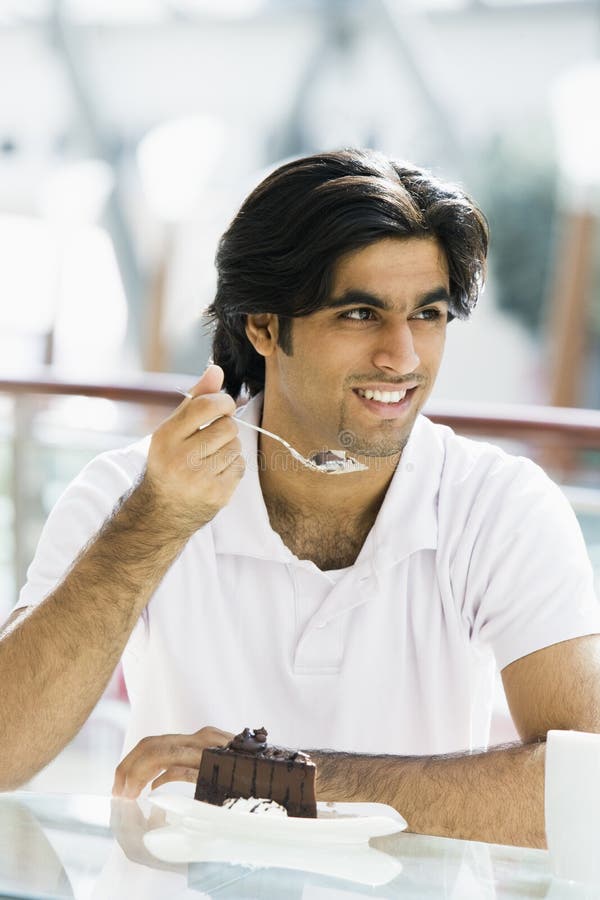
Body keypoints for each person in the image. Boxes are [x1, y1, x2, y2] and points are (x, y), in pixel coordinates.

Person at [1, 149, 599, 849]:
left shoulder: (499, 507)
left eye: (428, 314)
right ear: (262, 326)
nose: (402, 355)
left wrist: (281, 778)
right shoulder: (129, 496)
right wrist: (154, 523)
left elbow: (584, 787)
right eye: (359, 313)